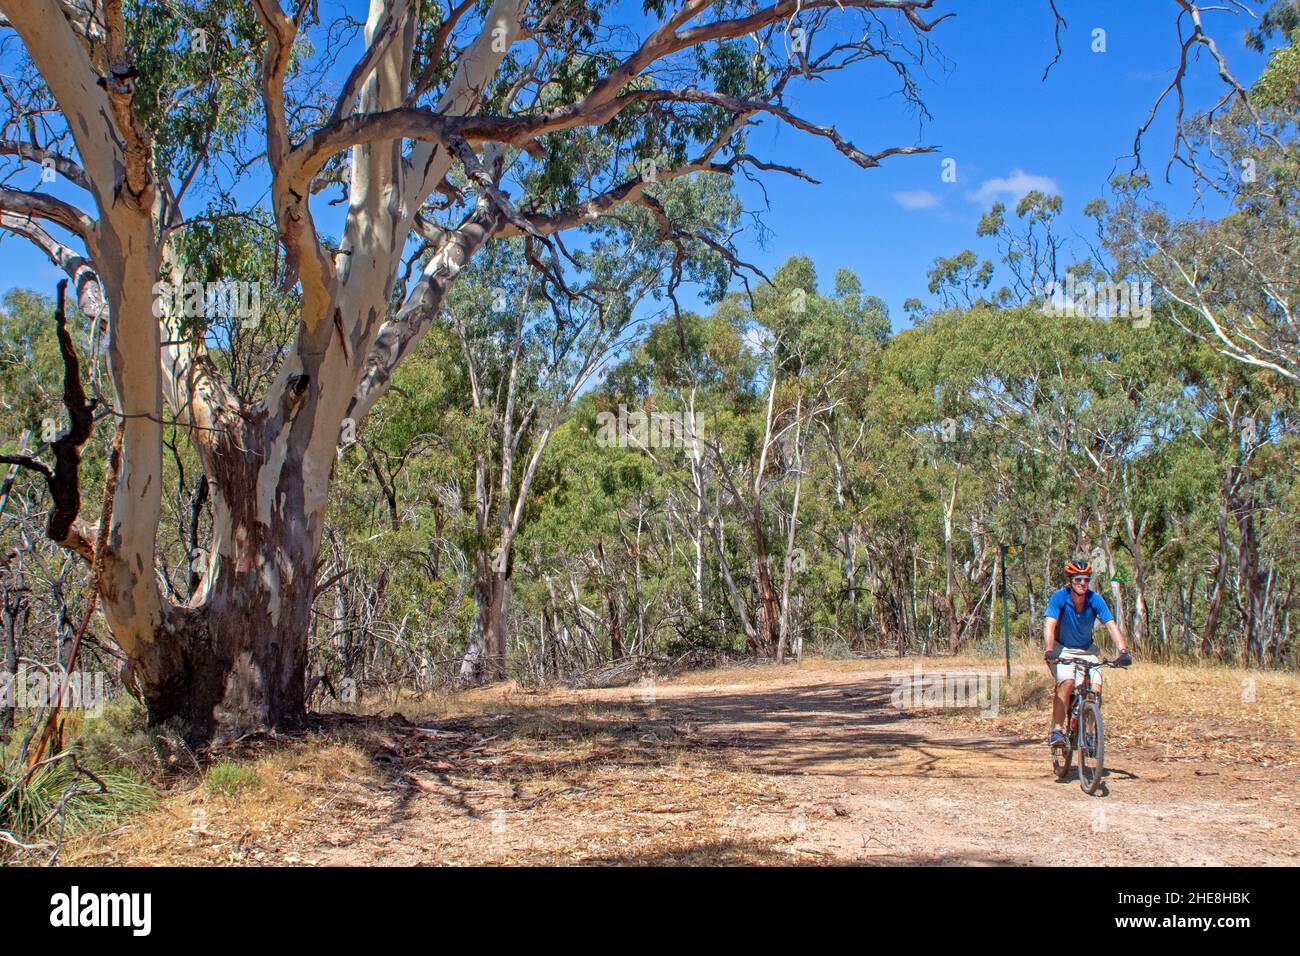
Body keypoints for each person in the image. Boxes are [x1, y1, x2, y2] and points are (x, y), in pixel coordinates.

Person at [1043, 558, 1131, 746]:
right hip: (1061, 648)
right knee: (1067, 682)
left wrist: (1123, 651)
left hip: (1087, 650)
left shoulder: (1094, 599)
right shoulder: (1059, 597)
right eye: (1077, 580)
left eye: (1086, 579)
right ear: (1069, 581)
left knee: (1095, 690)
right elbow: (1049, 624)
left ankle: (1089, 734)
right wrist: (1049, 649)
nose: (1082, 584)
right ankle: (1057, 731)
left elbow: (1111, 625)